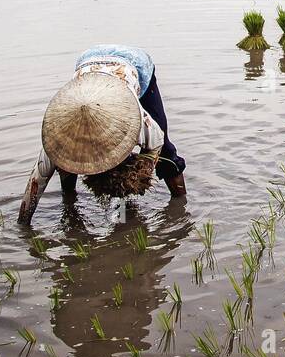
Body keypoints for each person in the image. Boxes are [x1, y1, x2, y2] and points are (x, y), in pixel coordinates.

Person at [18, 45, 186, 224]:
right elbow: (35, 185)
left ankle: (181, 208)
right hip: (88, 63)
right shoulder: (56, 140)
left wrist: (137, 176)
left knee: (166, 154)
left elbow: (157, 145)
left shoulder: (139, 122)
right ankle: (70, 204)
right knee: (66, 163)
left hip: (135, 63)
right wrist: (24, 224)